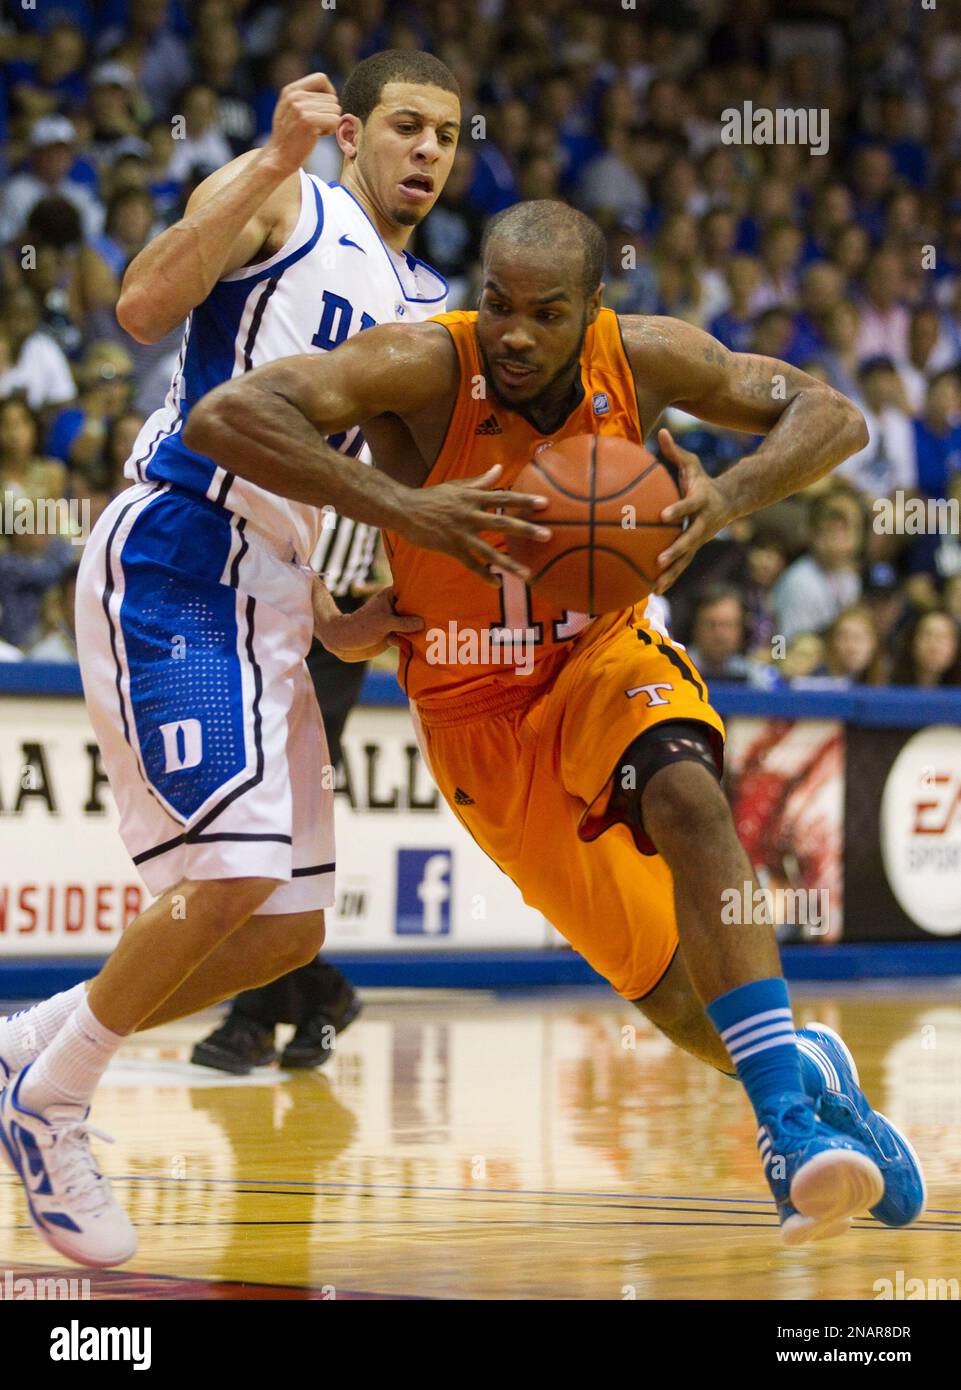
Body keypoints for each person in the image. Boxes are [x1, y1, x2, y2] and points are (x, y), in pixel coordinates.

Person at [182, 198, 924, 1248]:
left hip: (599, 654)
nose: (515, 333)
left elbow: (831, 414)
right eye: (497, 306)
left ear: (592, 311)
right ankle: (804, 1067)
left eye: (545, 312)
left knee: (689, 798)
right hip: (471, 708)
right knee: (675, 1000)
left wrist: (734, 493)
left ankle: (790, 1132)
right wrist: (403, 509)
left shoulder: (648, 359)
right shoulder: (425, 367)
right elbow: (223, 417)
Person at [0, 55, 548, 1267]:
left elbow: (388, 481)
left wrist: (357, 612)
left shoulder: (428, 301)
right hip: (183, 550)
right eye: (404, 126)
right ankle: (49, 1101)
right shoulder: (289, 200)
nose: (427, 152)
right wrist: (268, 158)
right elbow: (142, 306)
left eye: (447, 136)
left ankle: (33, 1039)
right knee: (237, 868)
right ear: (355, 129)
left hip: (278, 597)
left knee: (289, 931)